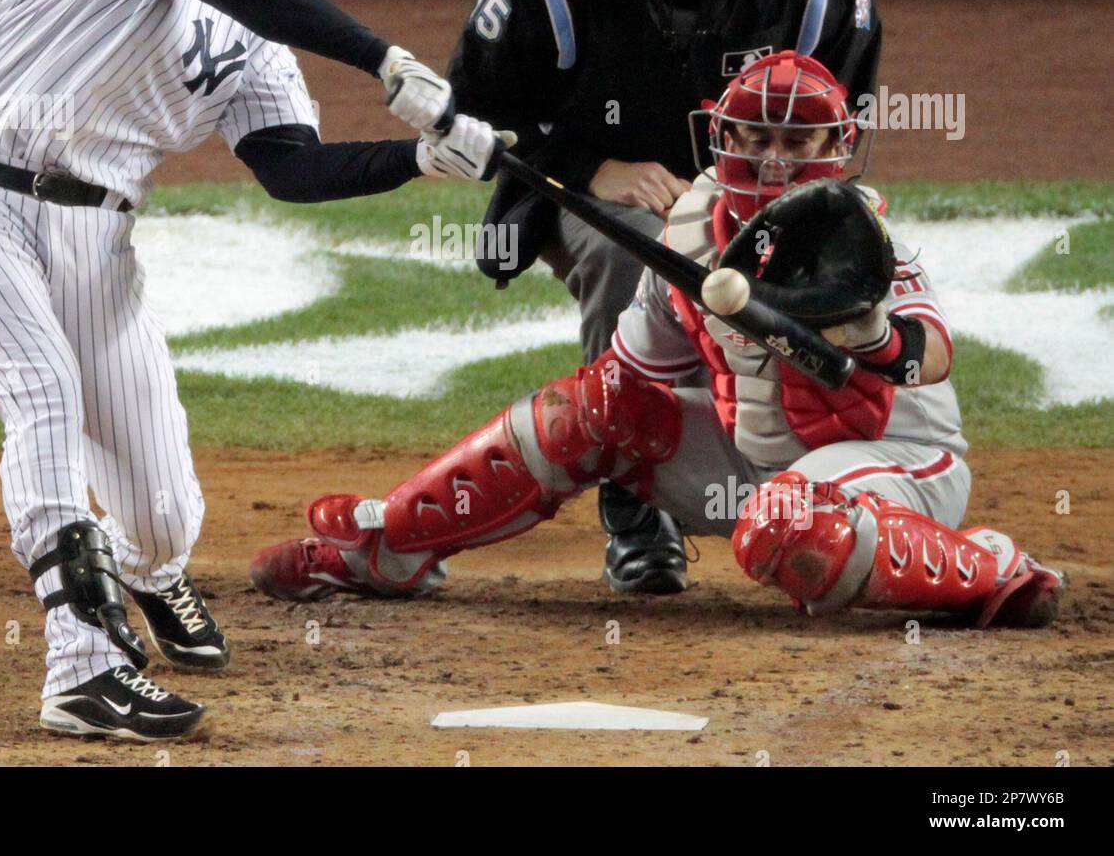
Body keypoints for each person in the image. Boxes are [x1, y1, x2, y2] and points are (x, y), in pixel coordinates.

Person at [0, 0, 507, 743]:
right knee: (42, 393)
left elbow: (292, 170)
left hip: (96, 244)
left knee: (165, 511)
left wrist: (418, 157)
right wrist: (384, 60)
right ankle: (84, 669)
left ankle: (152, 575)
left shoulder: (253, 45)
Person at [250, 52, 1064, 636]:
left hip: (894, 461)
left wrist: (872, 335)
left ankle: (994, 567)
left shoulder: (861, 236)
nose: (774, 160)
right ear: (718, 137)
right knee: (595, 405)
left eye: (798, 142)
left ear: (836, 149)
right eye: (754, 137)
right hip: (755, 462)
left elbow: (930, 352)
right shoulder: (689, 232)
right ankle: (387, 546)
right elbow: (625, 388)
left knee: (787, 524)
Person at [446, 0, 883, 596]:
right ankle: (637, 510)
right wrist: (587, 167)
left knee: (854, 266)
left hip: (767, 187)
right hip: (595, 189)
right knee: (628, 252)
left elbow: (842, 122)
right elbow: (468, 117)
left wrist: (777, 197)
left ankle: (838, 484)